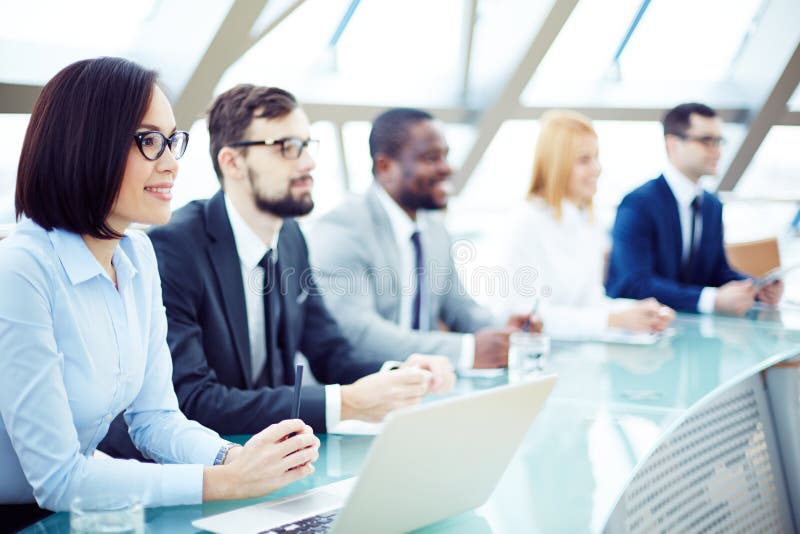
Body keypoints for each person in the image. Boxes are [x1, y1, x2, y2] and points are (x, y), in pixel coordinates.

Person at [0, 58, 319, 529]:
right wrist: (226, 482)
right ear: (88, 146)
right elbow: (59, 479)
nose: (171, 163)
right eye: (149, 142)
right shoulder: (21, 270)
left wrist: (236, 457)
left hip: (75, 513)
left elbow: (156, 418)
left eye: (172, 141)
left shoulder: (138, 255)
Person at [101, 86, 454, 460]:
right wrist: (346, 403)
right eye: (286, 147)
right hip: (178, 471)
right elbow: (192, 400)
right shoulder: (175, 247)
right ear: (232, 162)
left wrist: (396, 373)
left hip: (267, 461)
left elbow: (330, 352)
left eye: (306, 145)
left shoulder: (290, 237)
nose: (308, 163)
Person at [309, 108, 541, 370]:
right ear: (385, 167)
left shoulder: (433, 228)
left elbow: (460, 308)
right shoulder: (342, 228)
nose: (447, 168)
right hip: (363, 385)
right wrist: (465, 352)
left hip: (427, 384)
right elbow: (358, 334)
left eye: (445, 156)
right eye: (431, 158)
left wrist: (506, 332)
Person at [495, 110, 674, 337]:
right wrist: (613, 320)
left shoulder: (587, 221)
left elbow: (590, 302)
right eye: (584, 160)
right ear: (556, 165)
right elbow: (526, 316)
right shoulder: (526, 222)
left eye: (596, 157)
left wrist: (641, 312)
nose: (597, 168)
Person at [605, 103, 784, 314]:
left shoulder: (711, 205)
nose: (716, 150)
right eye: (706, 140)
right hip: (639, 324)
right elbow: (634, 283)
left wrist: (754, 288)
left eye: (719, 141)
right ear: (673, 144)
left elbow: (716, 271)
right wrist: (711, 300)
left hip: (688, 322)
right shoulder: (638, 203)